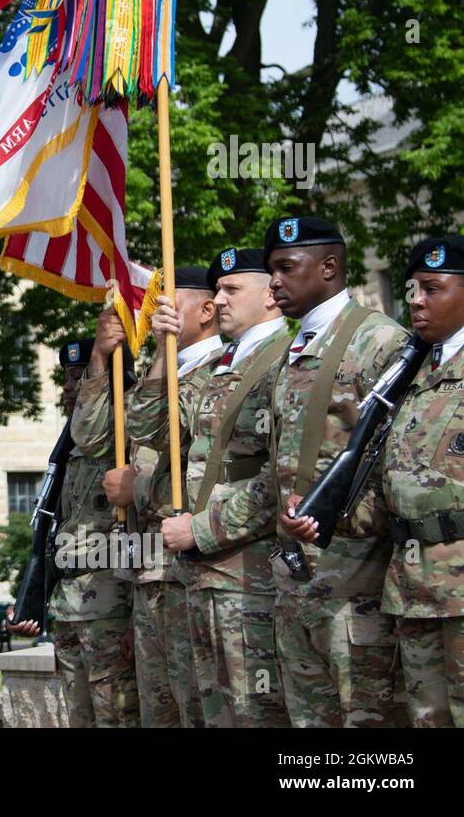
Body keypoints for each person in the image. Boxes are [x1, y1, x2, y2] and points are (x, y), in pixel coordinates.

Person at [269, 216, 409, 727]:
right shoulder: (294, 349)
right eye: (271, 271)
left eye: (286, 268)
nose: (275, 283)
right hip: (298, 579)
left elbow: (401, 463)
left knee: (367, 724)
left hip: (356, 582)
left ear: (329, 267)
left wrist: (337, 516)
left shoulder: (380, 342)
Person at [150, 248, 292, 726]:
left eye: (232, 289)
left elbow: (285, 475)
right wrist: (161, 350)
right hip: (207, 573)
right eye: (215, 290)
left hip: (250, 570)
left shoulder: (286, 361)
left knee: (255, 712)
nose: (219, 300)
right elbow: (148, 430)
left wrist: (203, 529)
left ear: (271, 296)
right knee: (213, 713)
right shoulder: (220, 367)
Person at [115, 267, 222, 727]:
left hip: (194, 557)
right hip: (151, 564)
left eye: (170, 303)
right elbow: (140, 424)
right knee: (162, 705)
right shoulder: (169, 367)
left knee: (198, 700)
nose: (158, 313)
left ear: (206, 310)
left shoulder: (222, 370)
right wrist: (161, 349)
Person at [30, 322, 140, 728]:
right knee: (79, 718)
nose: (71, 387)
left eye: (83, 376)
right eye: (68, 378)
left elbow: (140, 530)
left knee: (119, 717)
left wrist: (133, 614)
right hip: (71, 602)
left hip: (112, 602)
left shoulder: (129, 433)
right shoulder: (69, 443)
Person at [378, 236, 463, 726]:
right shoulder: (408, 372)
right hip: (412, 587)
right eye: (412, 289)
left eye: (432, 288)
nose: (415, 299)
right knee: (427, 718)